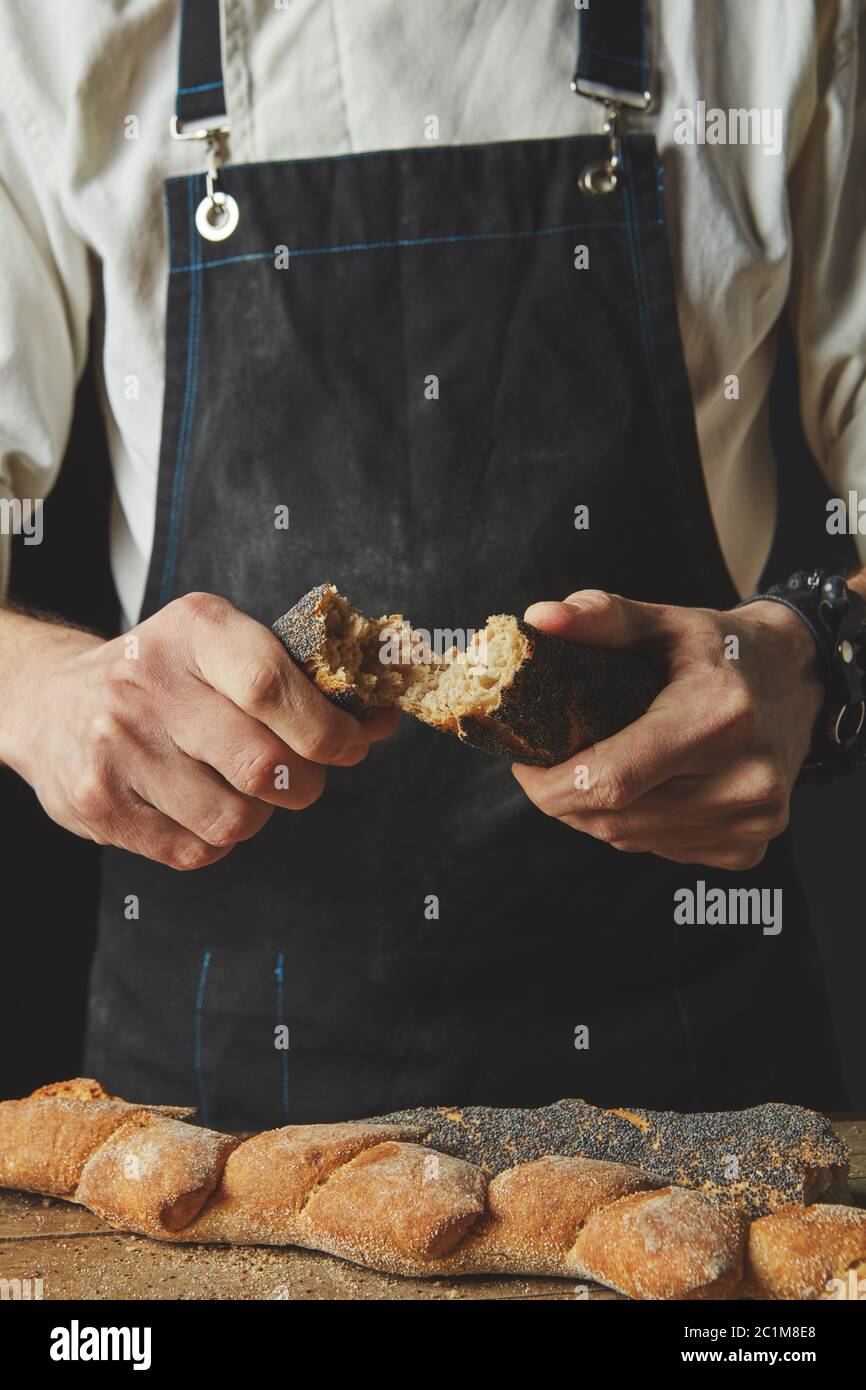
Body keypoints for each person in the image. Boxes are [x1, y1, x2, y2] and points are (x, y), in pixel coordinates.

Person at [0, 1, 863, 1130]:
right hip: (217, 1113)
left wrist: (814, 665)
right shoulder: (57, 26)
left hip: (693, 1092)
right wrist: (39, 691)